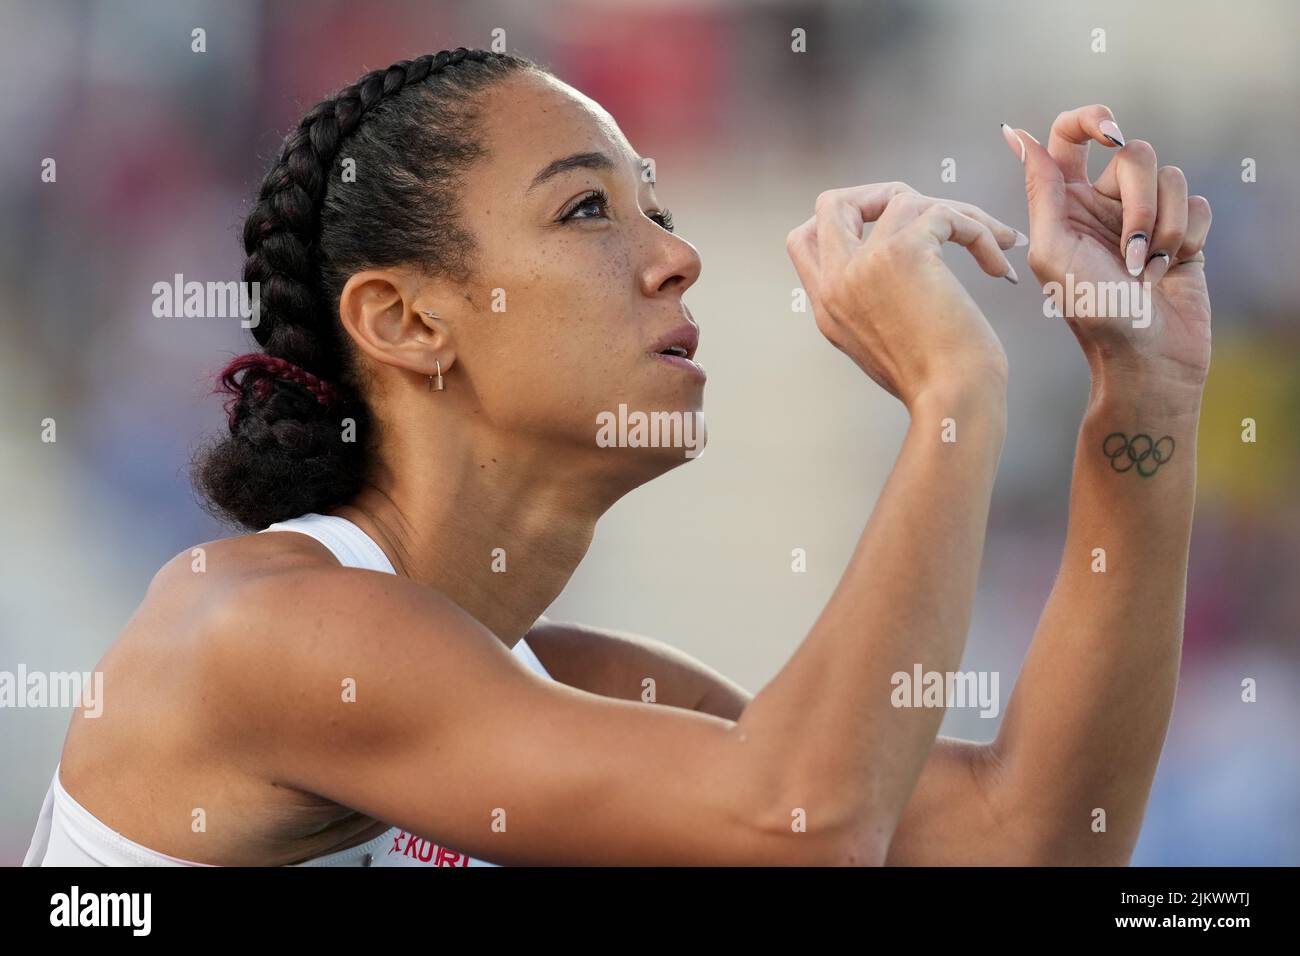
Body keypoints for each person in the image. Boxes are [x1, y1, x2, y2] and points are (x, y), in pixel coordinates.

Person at [25, 47, 1211, 866]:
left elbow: (1031, 837)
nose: (676, 254)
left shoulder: (560, 677)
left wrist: (1142, 387)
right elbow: (802, 826)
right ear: (403, 321)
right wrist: (954, 390)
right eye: (588, 210)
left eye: (660, 207)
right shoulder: (256, 630)